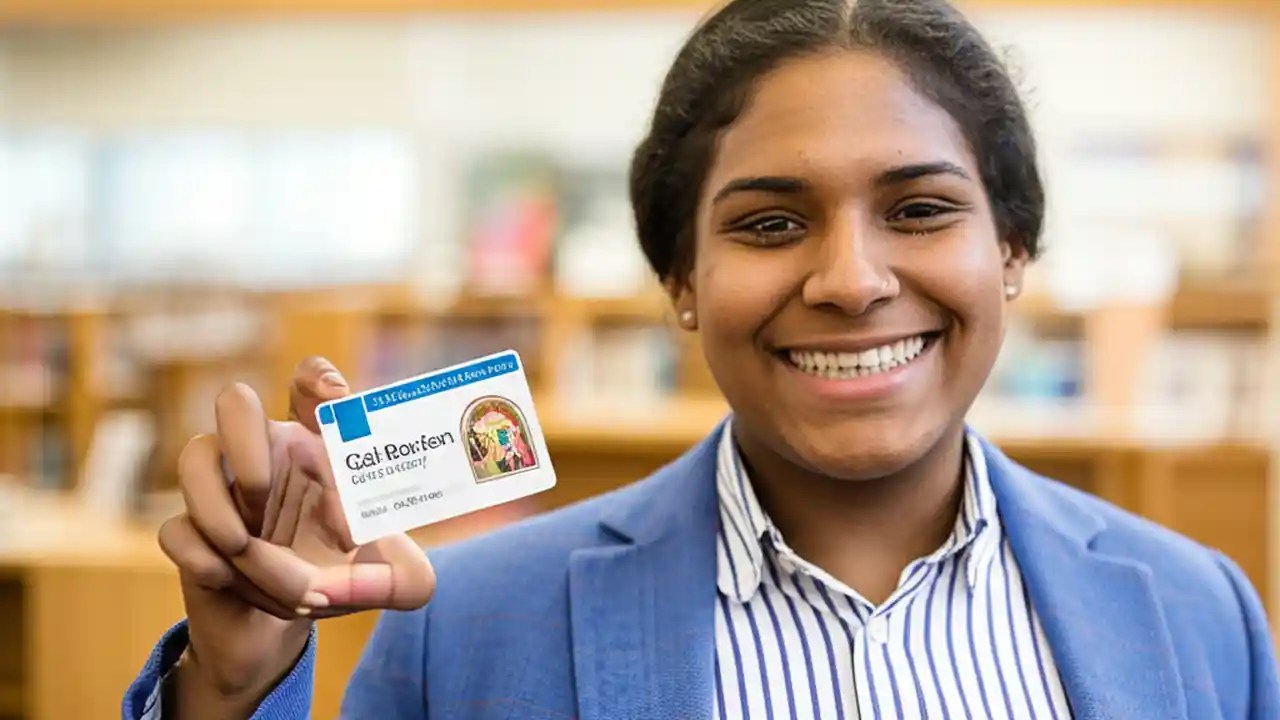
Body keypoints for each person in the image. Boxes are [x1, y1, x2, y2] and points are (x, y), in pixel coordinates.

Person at [124, 0, 1280, 717]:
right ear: (680, 282)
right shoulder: (467, 628)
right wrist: (228, 692)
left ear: (1011, 248)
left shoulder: (1197, 612)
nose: (849, 279)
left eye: (920, 208)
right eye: (769, 224)